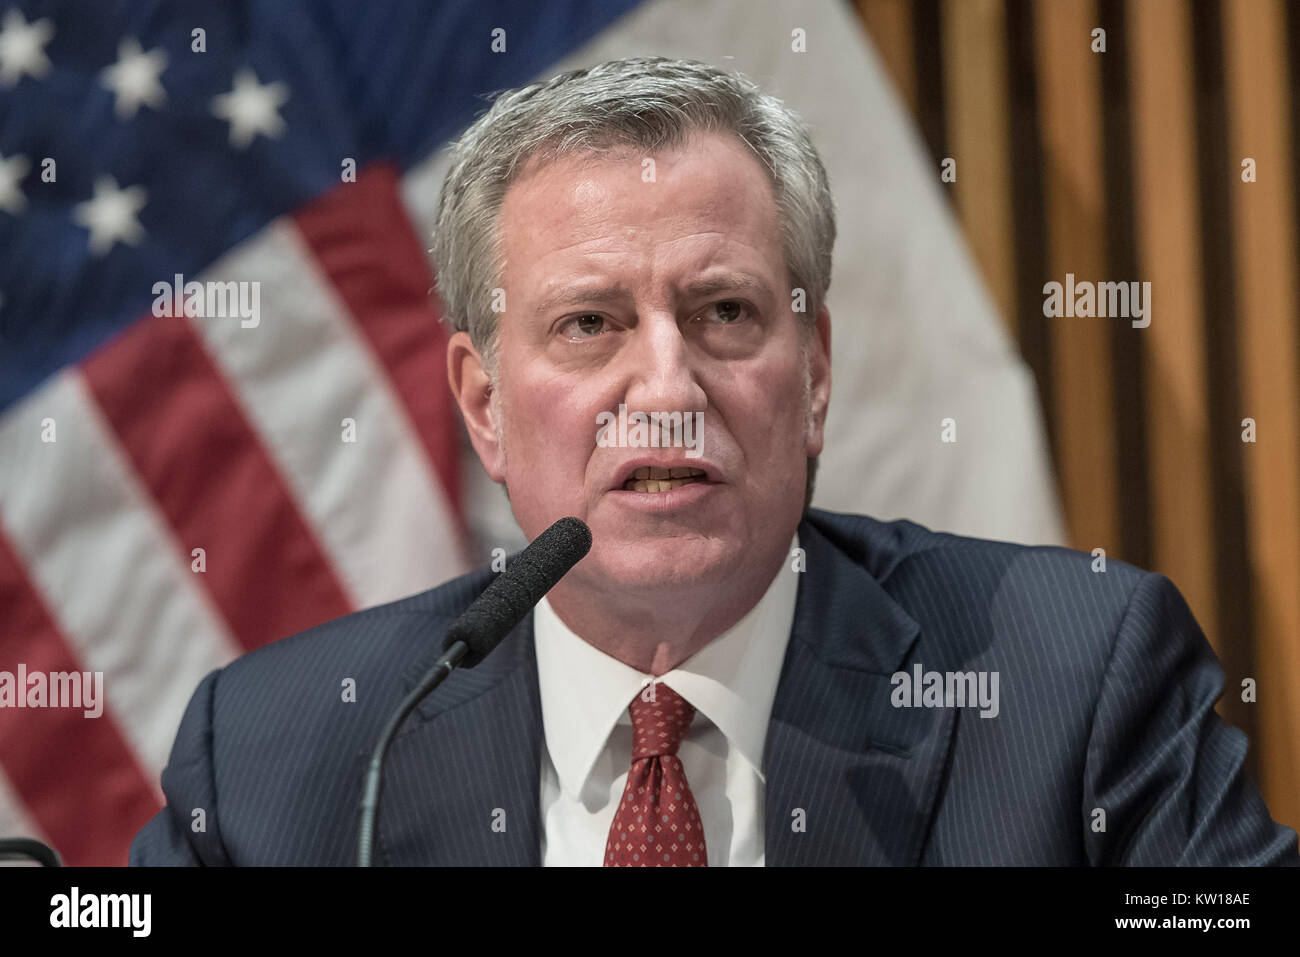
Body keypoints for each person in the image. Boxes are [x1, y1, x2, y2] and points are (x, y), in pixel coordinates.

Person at [130, 56, 1298, 866]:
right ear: (483, 407)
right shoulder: (286, 757)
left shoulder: (1072, 686)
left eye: (725, 313)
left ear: (816, 376)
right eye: (590, 324)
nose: (668, 387)